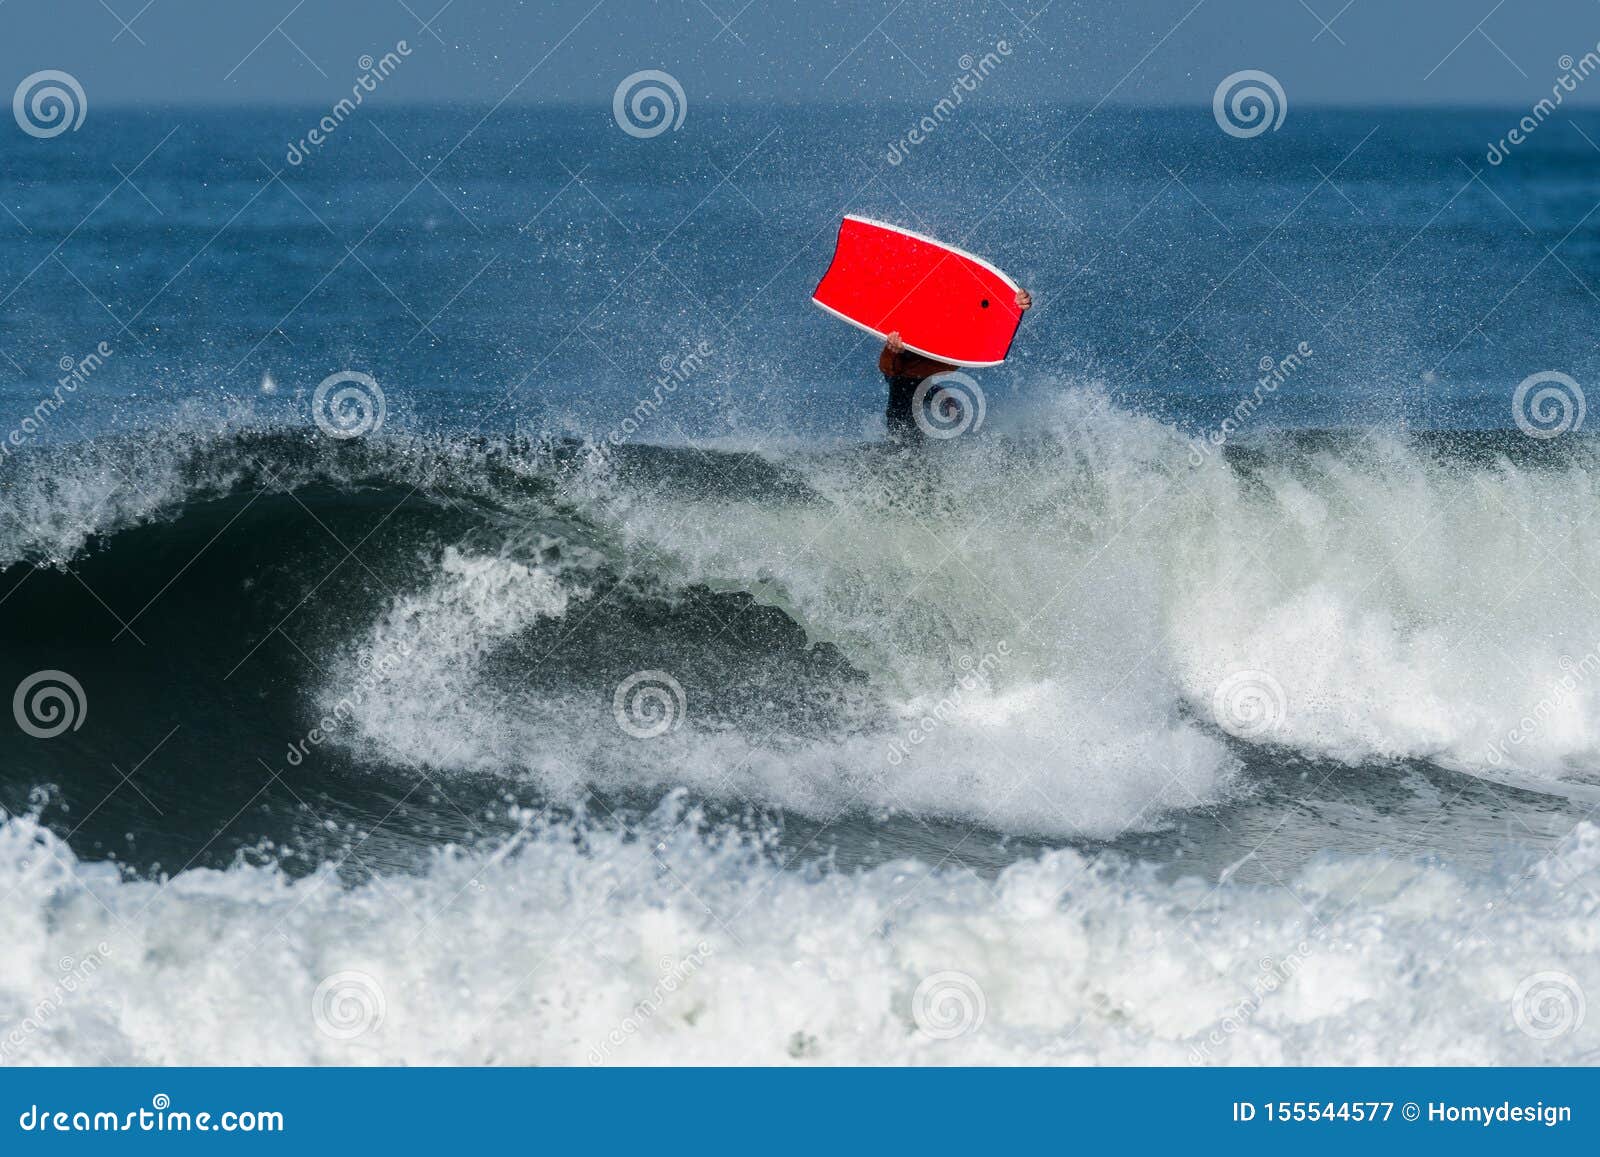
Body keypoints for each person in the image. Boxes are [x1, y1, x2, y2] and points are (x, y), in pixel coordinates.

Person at [879, 288, 1031, 439]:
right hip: (903, 382)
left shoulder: (956, 330)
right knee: (904, 433)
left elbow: (984, 299)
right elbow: (887, 369)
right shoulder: (917, 326)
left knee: (940, 401)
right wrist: (892, 350)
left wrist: (1012, 302)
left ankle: (948, 409)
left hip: (921, 373)